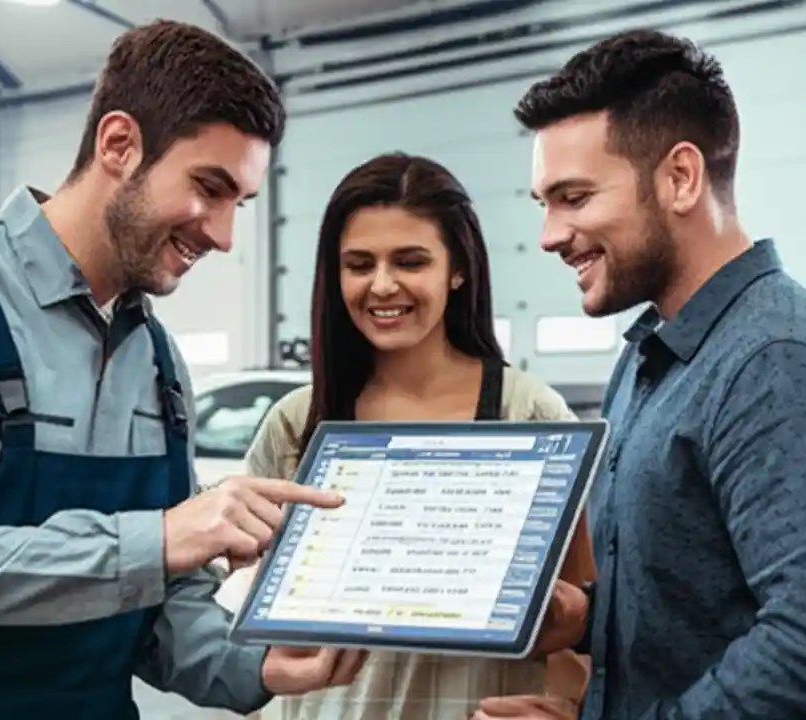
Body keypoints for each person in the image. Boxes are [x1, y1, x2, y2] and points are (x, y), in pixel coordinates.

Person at [0, 20, 367, 720]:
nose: (222, 235)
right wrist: (156, 541)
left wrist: (255, 663)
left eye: (238, 205)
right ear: (119, 144)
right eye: (208, 188)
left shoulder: (158, 364)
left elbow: (158, 607)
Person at [475, 28, 806, 720]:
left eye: (575, 197)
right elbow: (699, 597)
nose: (550, 234)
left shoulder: (780, 362)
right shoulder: (652, 355)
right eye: (543, 203)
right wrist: (584, 617)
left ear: (680, 177)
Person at [222, 152, 597, 720]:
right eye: (358, 264)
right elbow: (237, 609)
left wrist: (571, 708)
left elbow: (580, 620)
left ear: (458, 268)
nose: (382, 285)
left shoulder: (531, 416)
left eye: (410, 261)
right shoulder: (295, 424)